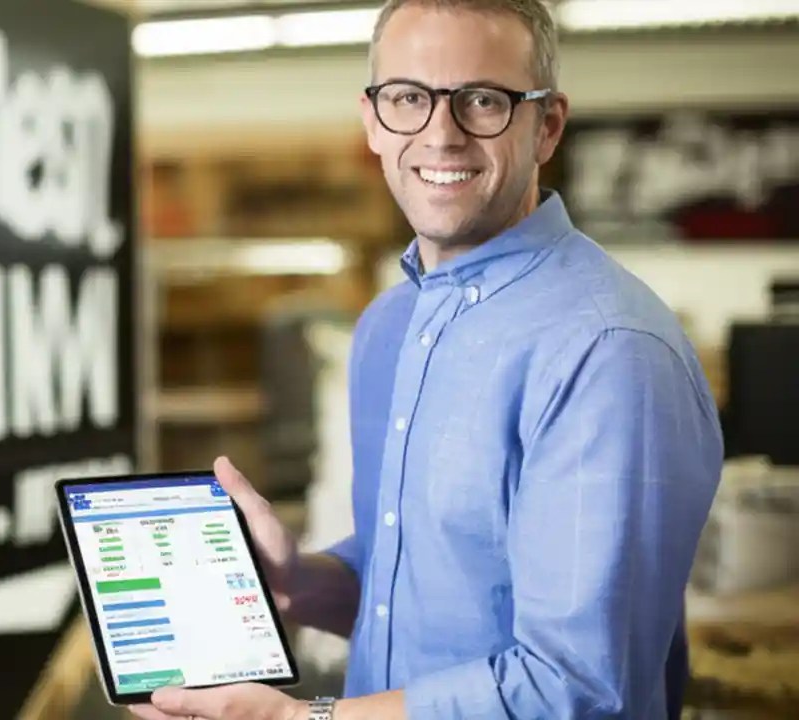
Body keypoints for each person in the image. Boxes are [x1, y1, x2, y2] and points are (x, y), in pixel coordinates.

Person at [129, 1, 724, 718]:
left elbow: (577, 690)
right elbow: (417, 593)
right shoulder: (389, 328)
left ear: (548, 126)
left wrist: (301, 717)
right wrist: (296, 582)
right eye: (409, 98)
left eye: (483, 100)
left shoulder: (608, 353)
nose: (441, 134)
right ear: (373, 121)